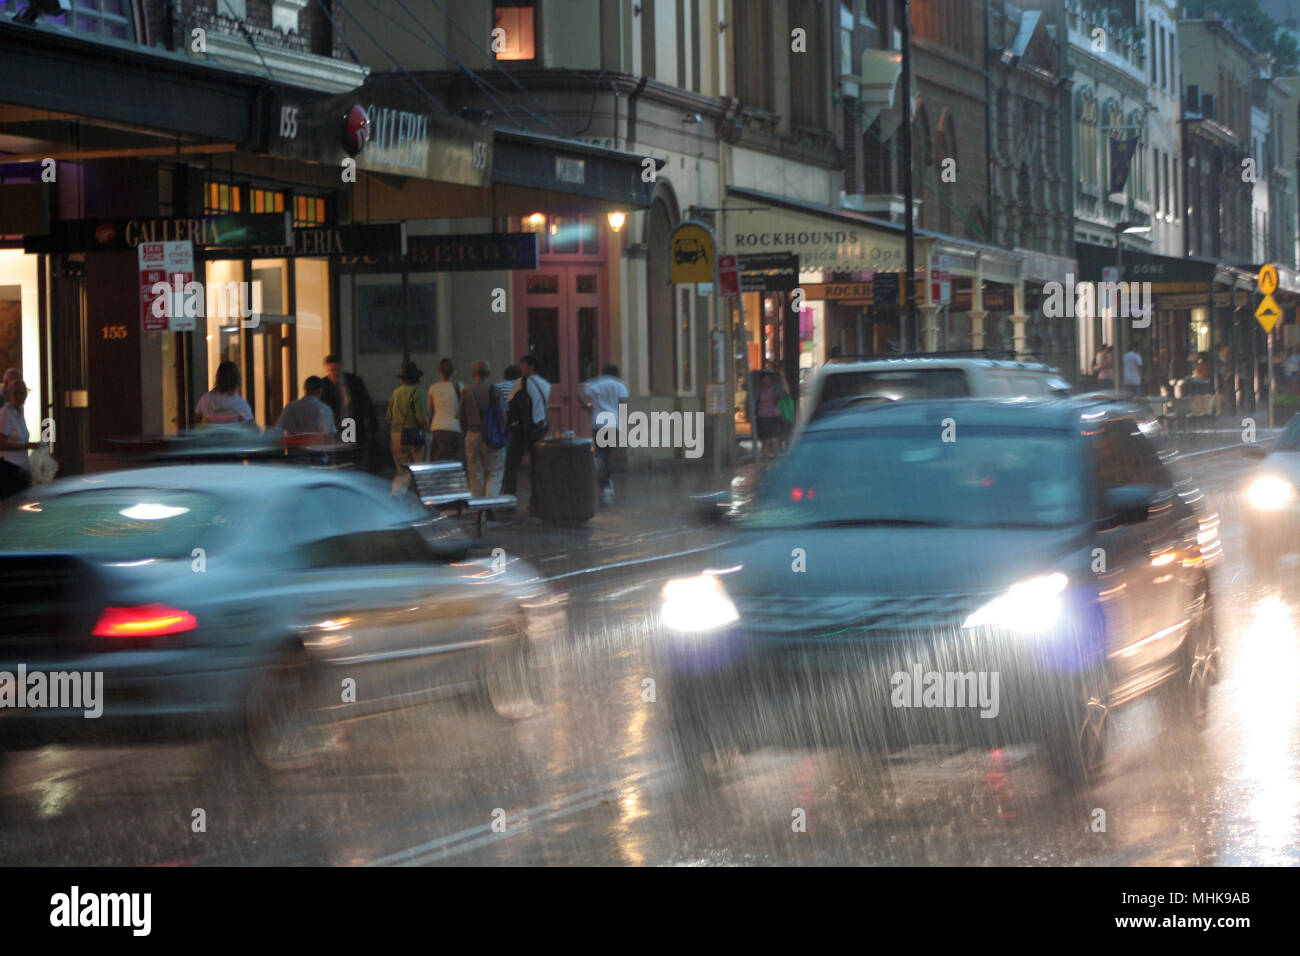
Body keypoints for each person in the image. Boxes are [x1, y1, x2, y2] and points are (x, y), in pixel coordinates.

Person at [502, 354, 551, 501]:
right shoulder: (546, 385)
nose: (521, 368)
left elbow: (510, 404)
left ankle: (510, 496)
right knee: (536, 465)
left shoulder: (521, 382)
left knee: (512, 463)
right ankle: (536, 500)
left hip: (521, 429)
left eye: (523, 365)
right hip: (539, 427)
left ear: (531, 367)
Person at [320, 354, 379, 473]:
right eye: (330, 370)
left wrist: (371, 426)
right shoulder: (324, 384)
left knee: (351, 455)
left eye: (335, 369)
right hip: (334, 426)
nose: (333, 373)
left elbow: (366, 404)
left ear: (341, 367)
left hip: (350, 423)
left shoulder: (354, 382)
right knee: (336, 456)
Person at [580, 364, 629, 507]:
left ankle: (604, 480)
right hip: (613, 422)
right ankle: (606, 484)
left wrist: (587, 405)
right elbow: (623, 403)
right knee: (608, 452)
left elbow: (579, 392)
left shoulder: (596, 382)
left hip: (598, 422)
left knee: (602, 451)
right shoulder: (619, 385)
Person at [459, 359, 507, 499]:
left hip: (472, 434)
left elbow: (462, 418)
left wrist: (465, 434)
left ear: (473, 373)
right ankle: (489, 504)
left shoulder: (466, 391)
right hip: (492, 436)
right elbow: (503, 415)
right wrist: (501, 432)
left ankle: (478, 508)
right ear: (489, 373)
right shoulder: (495, 391)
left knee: (475, 473)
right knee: (495, 471)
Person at [386, 360, 427, 496]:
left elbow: (389, 417)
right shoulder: (418, 393)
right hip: (413, 433)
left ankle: (396, 495)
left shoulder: (395, 393)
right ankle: (421, 496)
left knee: (402, 469)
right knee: (419, 467)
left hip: (396, 434)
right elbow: (421, 418)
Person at [0, 378, 37, 500]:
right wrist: (28, 446)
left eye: (22, 393)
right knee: (12, 506)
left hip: (21, 467)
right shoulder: (5, 414)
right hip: (9, 467)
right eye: (15, 393)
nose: (19, 397)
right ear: (9, 394)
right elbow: (2, 444)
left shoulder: (20, 412)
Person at [427, 357, 464, 463]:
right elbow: (463, 409)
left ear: (440, 372)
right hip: (456, 428)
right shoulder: (460, 386)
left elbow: (429, 411)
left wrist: (428, 426)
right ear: (454, 372)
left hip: (438, 428)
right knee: (455, 462)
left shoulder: (433, 388)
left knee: (439, 461)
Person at [196, 361, 255, 426]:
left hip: (211, 436)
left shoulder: (205, 399)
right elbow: (253, 428)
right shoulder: (240, 404)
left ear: (218, 378)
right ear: (237, 381)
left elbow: (197, 420)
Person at [753, 369, 785, 462]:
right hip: (762, 417)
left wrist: (782, 377)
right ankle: (765, 462)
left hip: (774, 417)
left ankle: (777, 462)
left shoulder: (776, 389)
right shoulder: (758, 390)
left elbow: (785, 393)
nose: (766, 381)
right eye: (764, 379)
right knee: (765, 441)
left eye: (768, 379)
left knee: (774, 440)